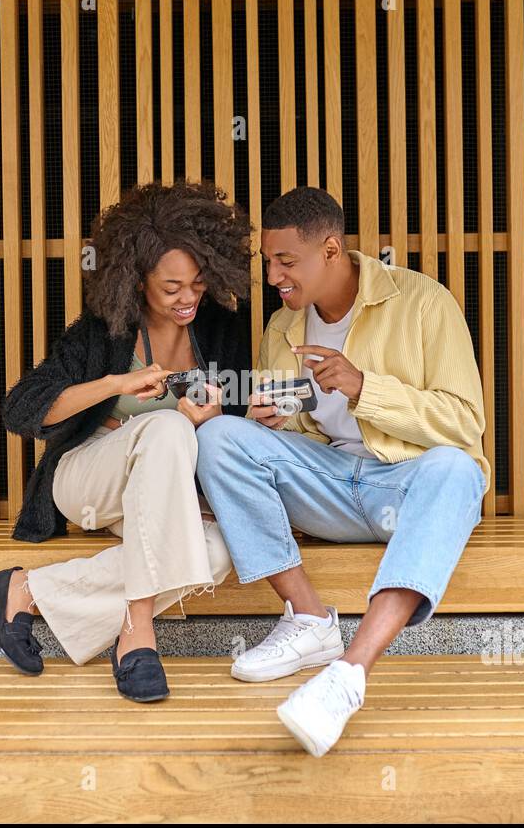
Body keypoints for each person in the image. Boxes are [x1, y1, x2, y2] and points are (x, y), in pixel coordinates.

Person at [195, 186, 489, 755]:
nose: (276, 276)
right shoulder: (283, 327)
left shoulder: (423, 302)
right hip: (330, 484)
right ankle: (308, 620)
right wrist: (273, 423)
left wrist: (363, 387)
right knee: (222, 436)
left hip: (406, 487)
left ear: (330, 249)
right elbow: (302, 432)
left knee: (457, 471)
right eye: (269, 263)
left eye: (286, 261)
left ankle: (348, 673)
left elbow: (465, 424)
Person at [0, 179, 252, 702]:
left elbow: (231, 418)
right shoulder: (105, 329)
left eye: (197, 283)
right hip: (86, 481)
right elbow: (20, 408)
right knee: (167, 424)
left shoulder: (222, 330)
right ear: (137, 277)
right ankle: (136, 634)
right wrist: (115, 385)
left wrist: (216, 419)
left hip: (159, 495)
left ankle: (25, 590)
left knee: (217, 551)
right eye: (172, 287)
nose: (188, 298)